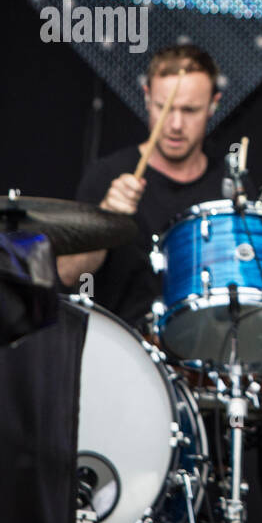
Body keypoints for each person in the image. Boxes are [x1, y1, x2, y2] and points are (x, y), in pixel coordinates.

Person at [56, 44, 225, 329]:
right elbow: (67, 273)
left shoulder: (227, 185)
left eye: (190, 110)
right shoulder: (106, 175)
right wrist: (106, 218)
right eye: (164, 107)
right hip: (121, 344)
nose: (175, 124)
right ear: (147, 98)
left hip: (204, 344)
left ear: (213, 105)